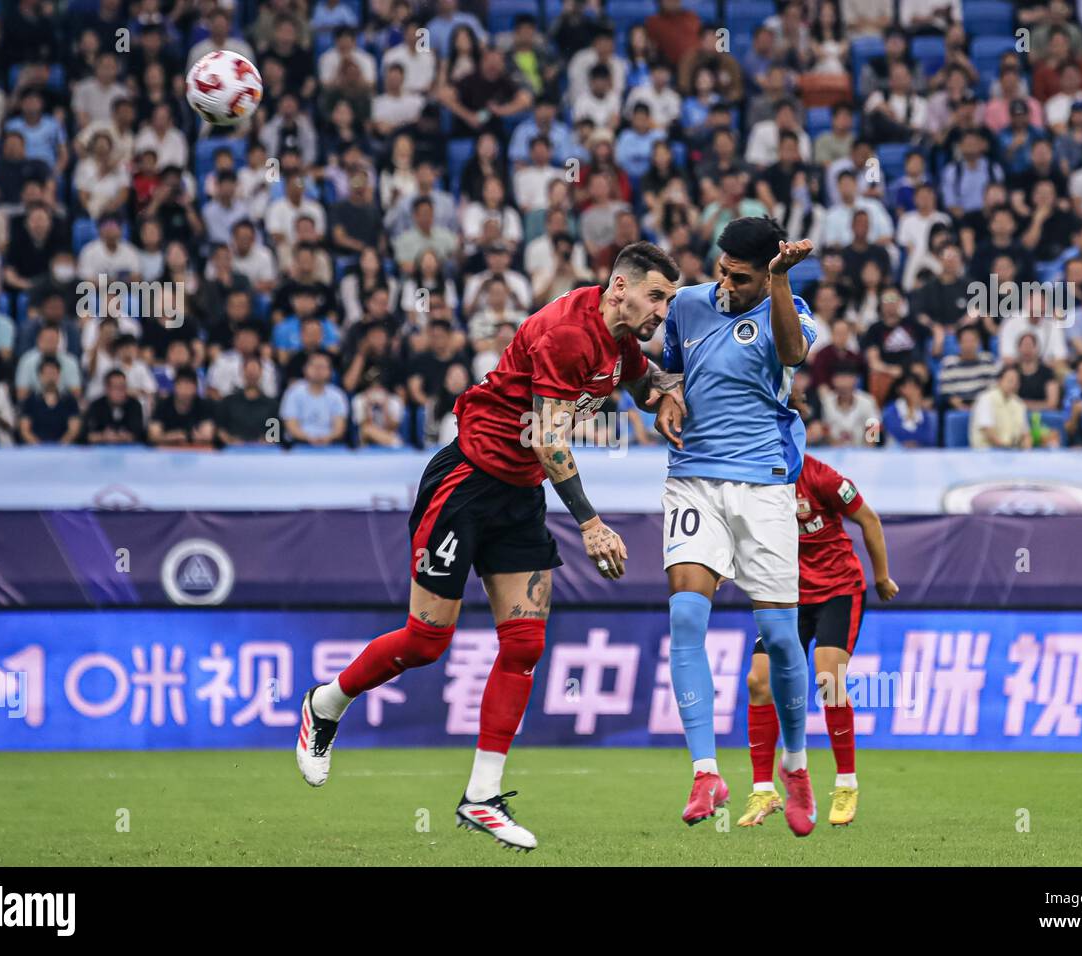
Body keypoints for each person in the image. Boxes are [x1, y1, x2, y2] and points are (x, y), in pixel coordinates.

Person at [294, 243, 684, 852]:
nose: (663, 309)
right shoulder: (567, 333)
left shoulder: (618, 338)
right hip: (467, 485)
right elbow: (549, 440)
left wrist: (670, 393)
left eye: (668, 299)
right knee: (427, 641)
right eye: (656, 295)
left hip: (521, 496)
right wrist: (589, 522)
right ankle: (326, 704)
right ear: (619, 288)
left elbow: (640, 381)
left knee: (525, 643)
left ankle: (481, 797)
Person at [653, 216, 820, 834]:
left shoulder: (793, 312)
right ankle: (704, 770)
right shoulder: (689, 305)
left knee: (779, 639)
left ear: (768, 271)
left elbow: (794, 355)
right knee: (686, 615)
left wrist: (778, 281)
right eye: (722, 268)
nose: (726, 281)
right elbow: (666, 371)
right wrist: (667, 395)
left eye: (741, 275)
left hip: (764, 484)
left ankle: (796, 768)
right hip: (692, 476)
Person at [739, 455, 898, 829]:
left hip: (836, 591)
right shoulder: (752, 478)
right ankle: (763, 790)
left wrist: (882, 577)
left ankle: (846, 784)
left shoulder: (821, 477)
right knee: (757, 681)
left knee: (829, 681)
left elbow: (869, 519)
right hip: (785, 596)